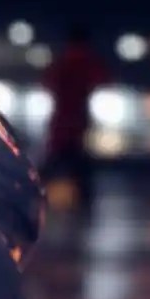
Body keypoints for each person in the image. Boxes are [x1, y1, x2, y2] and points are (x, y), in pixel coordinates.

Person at [42, 24, 109, 211]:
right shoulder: (87, 62)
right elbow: (103, 78)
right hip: (78, 119)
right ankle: (85, 201)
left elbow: (47, 80)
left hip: (61, 119)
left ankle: (31, 192)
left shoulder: (63, 61)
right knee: (79, 162)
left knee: (54, 160)